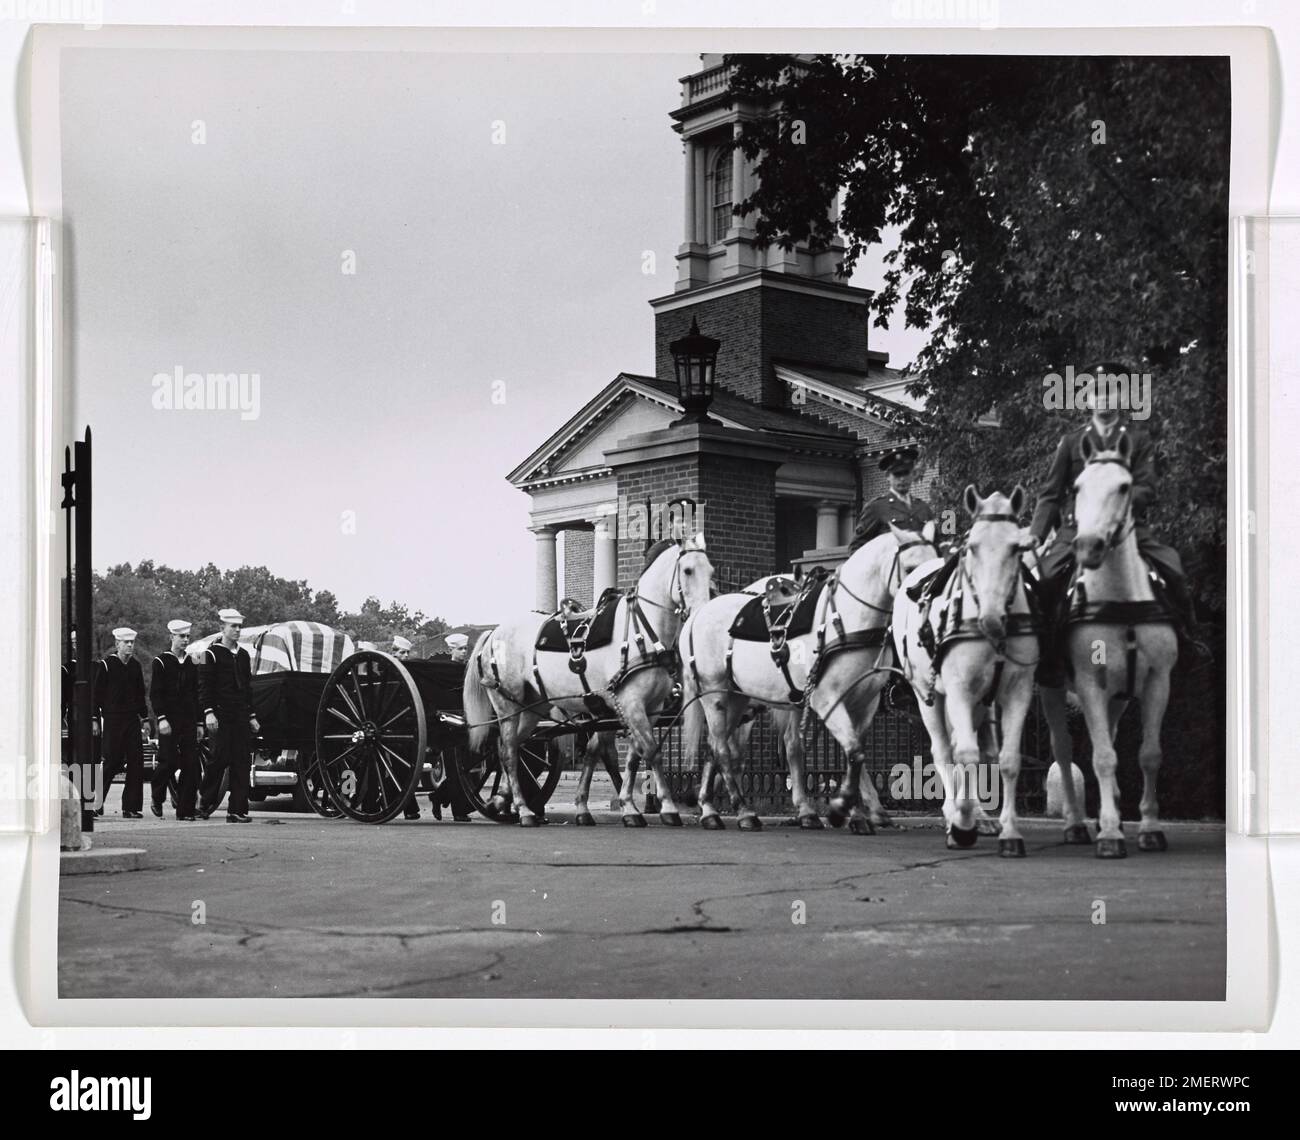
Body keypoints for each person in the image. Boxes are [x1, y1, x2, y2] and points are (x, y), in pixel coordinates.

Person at [1028, 360, 1208, 686]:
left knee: (1173, 567)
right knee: (1048, 576)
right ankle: (1049, 654)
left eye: (1111, 392)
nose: (1104, 399)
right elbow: (1050, 494)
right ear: (1087, 399)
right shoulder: (1071, 443)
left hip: (1128, 529)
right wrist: (1036, 535)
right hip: (1077, 531)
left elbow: (1147, 487)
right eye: (1097, 392)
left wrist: (1117, 502)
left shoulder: (1138, 440)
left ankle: (1186, 641)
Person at [197, 609, 260, 822]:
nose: (237, 630)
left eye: (239, 626)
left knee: (241, 762)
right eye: (233, 626)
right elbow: (204, 687)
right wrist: (208, 713)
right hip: (220, 715)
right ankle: (204, 803)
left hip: (240, 715)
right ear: (222, 627)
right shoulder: (210, 653)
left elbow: (247, 689)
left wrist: (251, 716)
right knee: (218, 760)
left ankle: (237, 810)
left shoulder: (243, 656)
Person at [92, 627, 149, 818]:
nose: (130, 646)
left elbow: (141, 694)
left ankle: (131, 807)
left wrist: (146, 718)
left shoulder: (135, 666)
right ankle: (95, 804)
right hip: (113, 719)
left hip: (132, 719)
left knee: (136, 762)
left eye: (132, 642)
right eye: (126, 643)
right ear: (117, 644)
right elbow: (96, 695)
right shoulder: (107, 665)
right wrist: (94, 719)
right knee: (111, 761)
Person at [149, 619, 202, 820]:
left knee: (191, 765)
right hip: (168, 720)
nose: (185, 640)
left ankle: (185, 811)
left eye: (188, 636)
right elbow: (156, 694)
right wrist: (161, 718)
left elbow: (196, 692)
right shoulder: (161, 661)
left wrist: (198, 722)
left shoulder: (193, 661)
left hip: (188, 720)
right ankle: (157, 795)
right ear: (171, 637)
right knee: (168, 761)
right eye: (181, 636)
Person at [848, 446, 934, 553]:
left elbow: (936, 544)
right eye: (897, 474)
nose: (902, 478)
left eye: (906, 473)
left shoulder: (923, 508)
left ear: (913, 474)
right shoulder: (877, 508)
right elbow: (856, 547)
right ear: (888, 476)